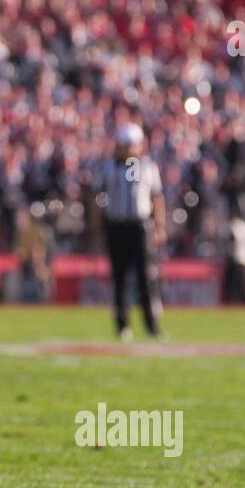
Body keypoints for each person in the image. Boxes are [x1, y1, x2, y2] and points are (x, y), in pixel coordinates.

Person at [93, 124, 166, 340]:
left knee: (146, 278)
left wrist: (160, 226)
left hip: (140, 227)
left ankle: (151, 325)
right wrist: (98, 228)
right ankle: (122, 325)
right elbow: (97, 199)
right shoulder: (109, 167)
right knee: (119, 278)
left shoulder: (148, 167)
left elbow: (157, 198)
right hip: (116, 226)